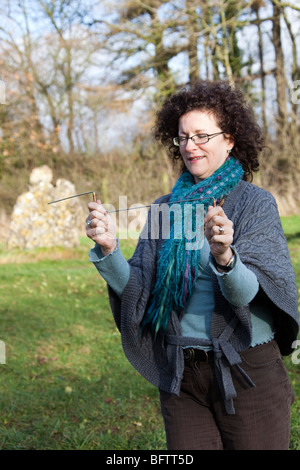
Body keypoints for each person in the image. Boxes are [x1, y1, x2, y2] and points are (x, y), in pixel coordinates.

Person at [86, 80, 299, 450]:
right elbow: (139, 288)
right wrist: (109, 249)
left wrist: (225, 257)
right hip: (181, 372)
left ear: (229, 139)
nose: (190, 146)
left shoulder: (255, 205)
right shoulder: (163, 207)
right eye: (182, 137)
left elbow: (250, 293)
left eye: (202, 135)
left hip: (247, 369)